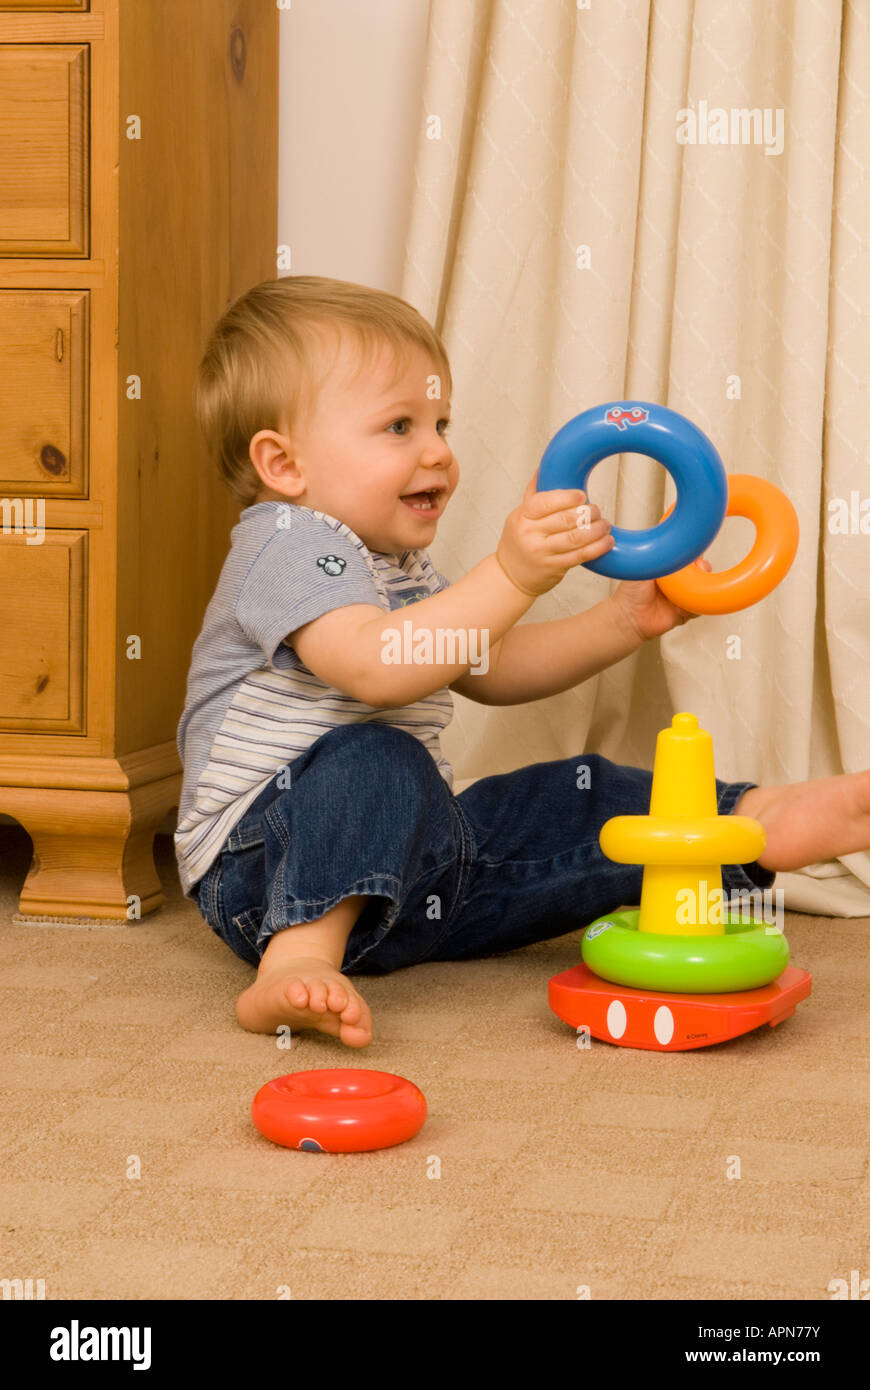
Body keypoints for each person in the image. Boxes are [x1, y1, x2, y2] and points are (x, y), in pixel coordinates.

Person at [176, 275, 870, 1048]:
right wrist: (509, 576)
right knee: (376, 755)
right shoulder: (287, 541)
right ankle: (298, 956)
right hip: (260, 868)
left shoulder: (395, 562)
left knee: (576, 795)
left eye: (441, 422)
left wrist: (624, 620)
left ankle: (753, 822)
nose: (439, 450)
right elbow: (375, 666)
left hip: (414, 875)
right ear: (284, 464)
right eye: (400, 425)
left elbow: (490, 667)